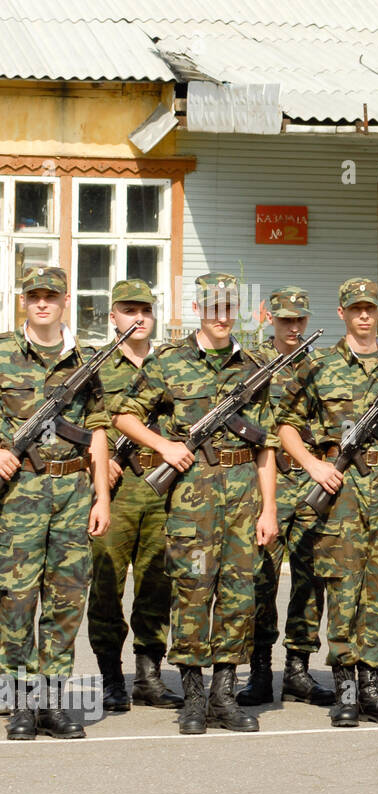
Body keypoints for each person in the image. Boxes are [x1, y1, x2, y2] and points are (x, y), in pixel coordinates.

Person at [113, 272, 280, 735]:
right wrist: (163, 447)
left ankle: (224, 696)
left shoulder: (255, 366)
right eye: (213, 308)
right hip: (191, 500)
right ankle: (193, 697)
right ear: (198, 310)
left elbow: (267, 445)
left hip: (245, 497)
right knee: (191, 593)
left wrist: (269, 509)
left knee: (238, 597)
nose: (222, 317)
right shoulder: (169, 362)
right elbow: (124, 414)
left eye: (230, 307)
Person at [277, 278, 378, 727]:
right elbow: (285, 425)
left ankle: (373, 689)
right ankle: (346, 690)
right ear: (341, 313)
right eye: (354, 308)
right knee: (341, 590)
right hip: (339, 497)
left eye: (370, 308)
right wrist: (313, 465)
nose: (363, 315)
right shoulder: (318, 366)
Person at [0, 266, 111, 740]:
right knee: (16, 600)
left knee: (66, 600)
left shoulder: (85, 359)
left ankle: (53, 701)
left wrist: (101, 495)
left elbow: (99, 429)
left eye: (51, 296)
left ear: (66, 300)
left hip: (71, 493)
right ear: (23, 301)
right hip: (19, 492)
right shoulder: (3, 352)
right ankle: (18, 704)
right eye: (34, 296)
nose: (42, 303)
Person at [87, 279, 181, 712]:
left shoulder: (170, 366)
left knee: (156, 584)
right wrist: (96, 460)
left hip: (162, 492)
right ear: (113, 317)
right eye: (128, 310)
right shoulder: (94, 367)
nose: (137, 318)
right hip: (117, 492)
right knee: (107, 584)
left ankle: (148, 676)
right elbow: (79, 424)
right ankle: (110, 677)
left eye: (144, 309)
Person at [238, 286, 333, 707]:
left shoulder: (323, 366)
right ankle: (260, 669)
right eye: (285, 319)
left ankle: (298, 668)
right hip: (267, 483)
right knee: (261, 578)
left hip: (311, 483)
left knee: (310, 579)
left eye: (300, 319)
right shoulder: (250, 363)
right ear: (269, 317)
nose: (293, 327)